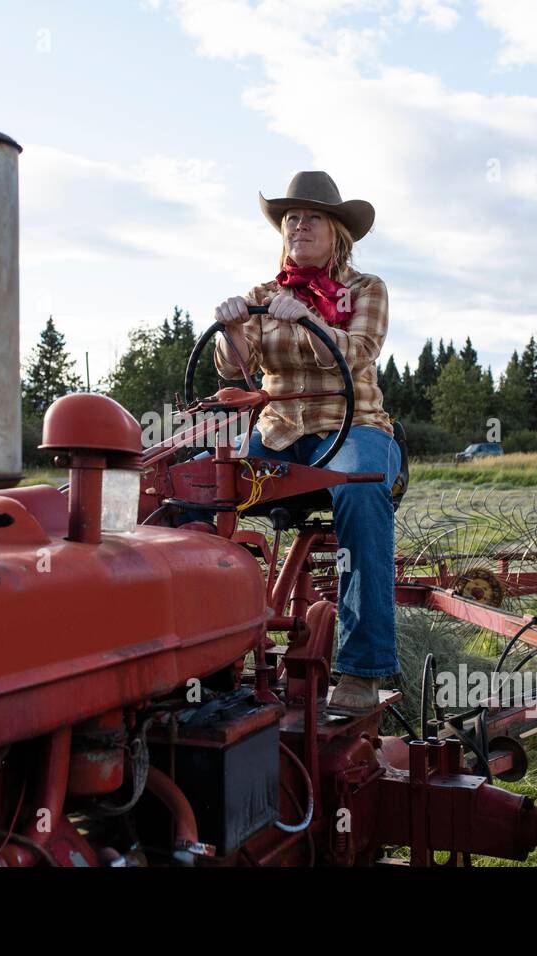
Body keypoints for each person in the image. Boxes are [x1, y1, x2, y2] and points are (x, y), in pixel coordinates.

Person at [213, 171, 400, 717]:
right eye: (291, 217)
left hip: (351, 426)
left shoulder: (366, 290)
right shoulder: (261, 297)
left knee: (360, 489)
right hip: (278, 435)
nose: (298, 224)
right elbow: (237, 367)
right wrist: (230, 330)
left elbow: (360, 351)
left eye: (311, 216)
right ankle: (203, 650)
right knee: (195, 486)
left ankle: (363, 669)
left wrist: (313, 320)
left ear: (337, 232)